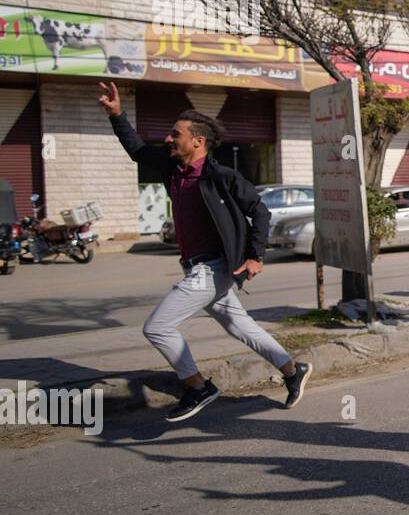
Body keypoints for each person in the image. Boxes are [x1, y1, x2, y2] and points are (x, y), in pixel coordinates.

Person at [96, 82, 311, 422]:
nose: (168, 139)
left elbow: (260, 211)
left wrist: (256, 255)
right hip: (194, 267)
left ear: (197, 141)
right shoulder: (174, 171)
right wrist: (117, 115)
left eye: (175, 134)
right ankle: (291, 369)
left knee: (157, 327)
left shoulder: (222, 177)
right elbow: (137, 150)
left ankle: (197, 386)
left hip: (213, 269)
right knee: (240, 325)